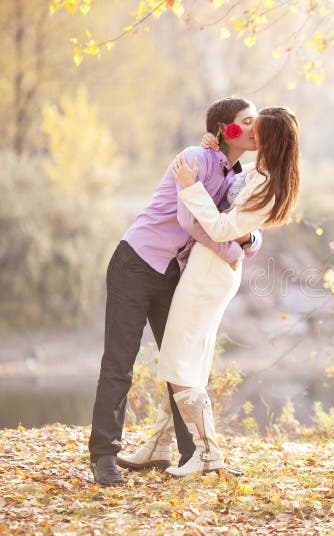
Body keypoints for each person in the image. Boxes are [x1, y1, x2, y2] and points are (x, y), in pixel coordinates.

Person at [89, 97, 263, 486]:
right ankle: (103, 455)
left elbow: (245, 222)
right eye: (247, 121)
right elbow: (189, 216)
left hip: (171, 273)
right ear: (227, 128)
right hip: (135, 263)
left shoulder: (238, 176)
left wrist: (249, 238)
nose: (256, 128)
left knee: (180, 361)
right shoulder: (194, 158)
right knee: (120, 361)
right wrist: (231, 247)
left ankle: (194, 453)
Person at [127, 106, 300, 477]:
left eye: (259, 129)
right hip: (209, 268)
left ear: (271, 140)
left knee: (177, 355)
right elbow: (231, 195)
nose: (252, 133)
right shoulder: (259, 173)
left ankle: (207, 452)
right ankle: (160, 443)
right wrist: (216, 146)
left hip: (212, 271)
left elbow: (223, 227)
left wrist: (190, 188)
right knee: (189, 358)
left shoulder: (269, 185)